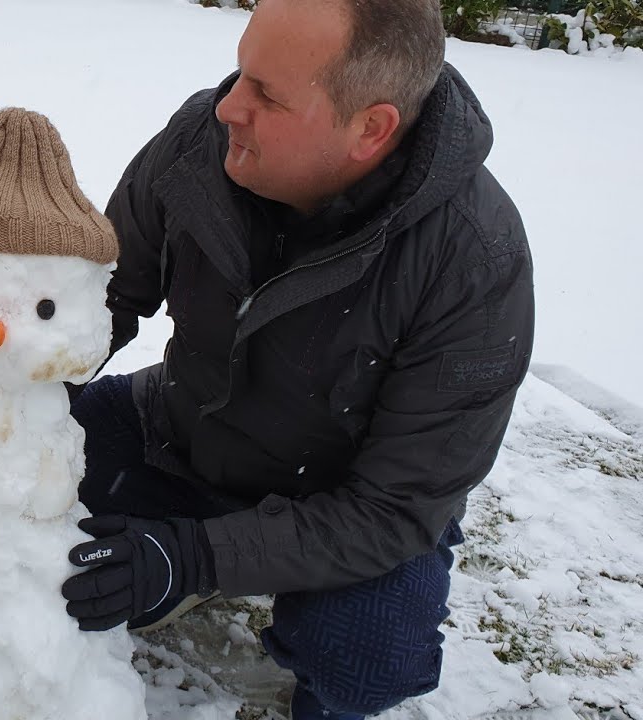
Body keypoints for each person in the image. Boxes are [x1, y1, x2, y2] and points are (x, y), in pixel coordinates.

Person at [60, 0, 535, 716]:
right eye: (240, 73)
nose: (228, 107)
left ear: (370, 129)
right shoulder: (201, 140)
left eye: (267, 94)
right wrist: (7, 400)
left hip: (340, 504)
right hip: (180, 428)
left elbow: (392, 511)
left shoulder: (472, 260)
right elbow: (98, 296)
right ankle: (183, 541)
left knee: (365, 659)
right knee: (24, 500)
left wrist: (189, 556)